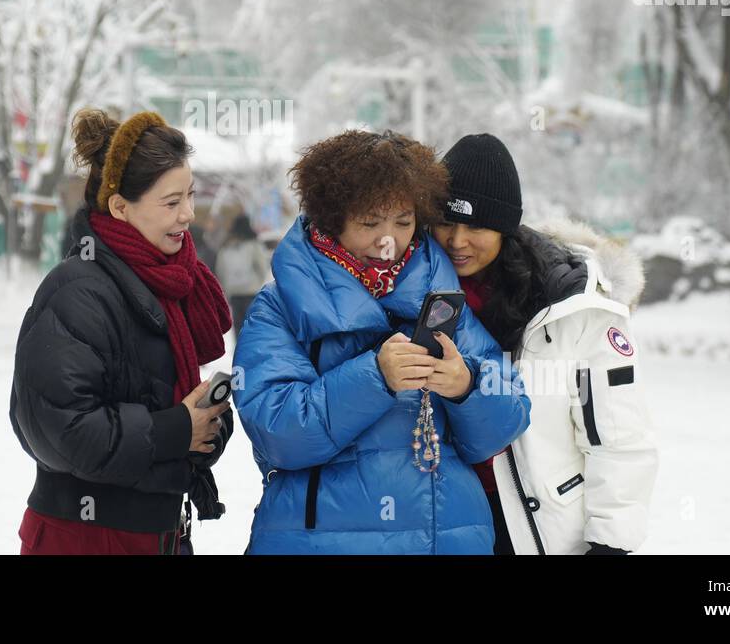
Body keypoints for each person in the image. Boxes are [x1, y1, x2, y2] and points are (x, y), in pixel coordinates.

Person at [233, 129, 531, 554]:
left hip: (445, 539)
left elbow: (508, 420)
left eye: (404, 222)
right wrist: (374, 376)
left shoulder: (443, 300)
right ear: (332, 220)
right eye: (370, 222)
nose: (388, 239)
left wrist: (467, 386)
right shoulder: (280, 305)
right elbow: (275, 432)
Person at [9, 108, 234, 554]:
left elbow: (165, 405)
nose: (188, 214)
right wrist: (177, 429)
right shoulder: (77, 290)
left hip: (161, 532)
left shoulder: (169, 283)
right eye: (171, 203)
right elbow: (62, 432)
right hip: (87, 537)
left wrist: (206, 427)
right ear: (119, 208)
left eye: (190, 195)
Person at [434, 133, 657, 555]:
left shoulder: (573, 307)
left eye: (476, 225)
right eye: (446, 221)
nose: (457, 240)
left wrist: (610, 542)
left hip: (542, 531)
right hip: (443, 522)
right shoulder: (415, 290)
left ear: (503, 226)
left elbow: (618, 434)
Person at [213, 212, 269, 339]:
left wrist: (227, 288)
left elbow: (220, 270)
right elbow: (262, 266)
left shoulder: (226, 246)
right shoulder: (254, 244)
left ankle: (240, 353)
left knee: (239, 328)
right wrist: (259, 283)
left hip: (234, 293)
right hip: (252, 291)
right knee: (254, 327)